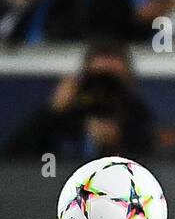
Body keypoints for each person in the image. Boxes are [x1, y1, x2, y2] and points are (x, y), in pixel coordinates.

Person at [5, 38, 154, 157]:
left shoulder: (138, 119)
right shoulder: (63, 118)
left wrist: (114, 144)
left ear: (128, 82)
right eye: (98, 78)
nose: (105, 88)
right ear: (83, 79)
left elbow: (151, 168)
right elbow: (13, 160)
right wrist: (52, 111)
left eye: (112, 80)